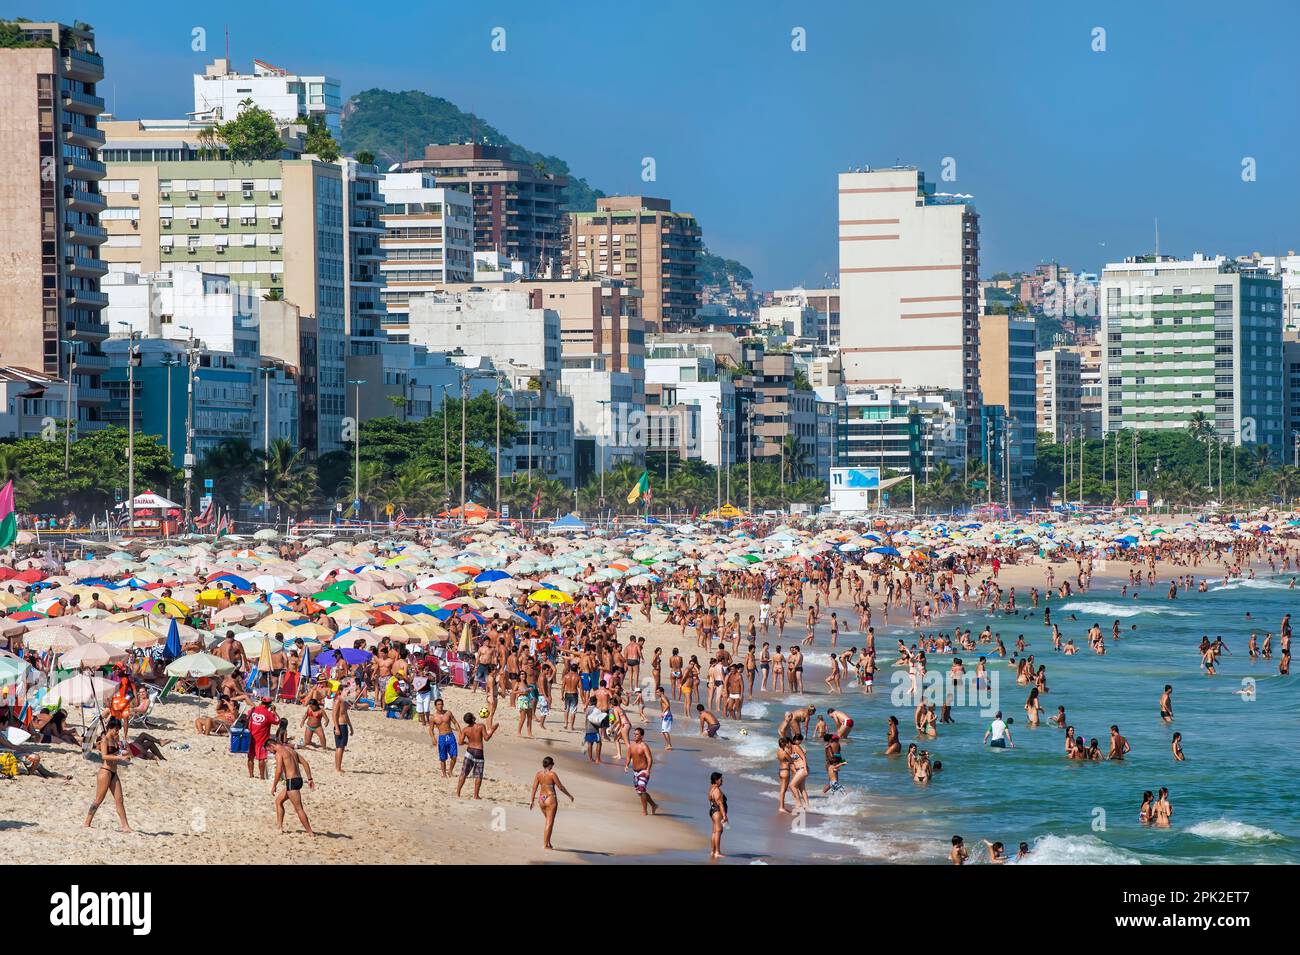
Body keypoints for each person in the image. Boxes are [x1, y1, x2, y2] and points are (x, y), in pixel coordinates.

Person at [84, 717, 131, 832]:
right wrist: (120, 757)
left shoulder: (116, 738)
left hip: (114, 772)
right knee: (99, 799)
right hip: (105, 771)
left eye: (118, 730)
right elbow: (104, 756)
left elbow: (116, 751)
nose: (117, 732)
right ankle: (87, 822)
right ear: (110, 728)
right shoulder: (104, 740)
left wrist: (124, 753)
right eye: (115, 730)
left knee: (119, 799)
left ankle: (125, 826)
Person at [269, 740, 315, 836]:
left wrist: (274, 786)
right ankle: (279, 827)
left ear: (271, 745)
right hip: (298, 780)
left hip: (291, 782)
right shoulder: (291, 750)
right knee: (279, 801)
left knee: (299, 809)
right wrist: (310, 779)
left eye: (269, 750)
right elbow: (305, 763)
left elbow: (278, 771)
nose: (271, 752)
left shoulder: (279, 753)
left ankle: (310, 832)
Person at [529, 756, 573, 850]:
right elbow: (560, 787)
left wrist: (531, 800)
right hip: (550, 798)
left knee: (548, 821)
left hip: (541, 799)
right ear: (549, 765)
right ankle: (545, 845)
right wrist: (569, 795)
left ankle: (548, 842)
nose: (553, 766)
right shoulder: (552, 774)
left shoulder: (538, 774)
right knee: (549, 822)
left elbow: (534, 787)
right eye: (552, 764)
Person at [456, 711, 499, 800]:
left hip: (470, 751)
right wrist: (493, 730)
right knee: (478, 775)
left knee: (464, 773)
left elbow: (460, 742)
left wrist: (466, 742)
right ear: (472, 718)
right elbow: (486, 738)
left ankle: (458, 793)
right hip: (479, 751)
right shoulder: (480, 726)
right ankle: (476, 795)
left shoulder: (465, 730)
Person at [625, 727, 659, 815]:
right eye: (634, 734)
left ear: (641, 736)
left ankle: (644, 811)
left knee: (641, 790)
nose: (635, 736)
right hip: (635, 772)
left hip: (643, 771)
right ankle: (653, 805)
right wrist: (626, 766)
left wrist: (648, 770)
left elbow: (650, 759)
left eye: (637, 734)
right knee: (640, 792)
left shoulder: (644, 746)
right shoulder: (631, 746)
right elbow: (628, 757)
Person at [246, 697, 278, 779]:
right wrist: (274, 711)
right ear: (269, 705)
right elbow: (277, 721)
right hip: (262, 739)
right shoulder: (268, 713)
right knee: (261, 758)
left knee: (250, 757)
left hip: (251, 737)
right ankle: (262, 777)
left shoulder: (253, 710)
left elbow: (247, 717)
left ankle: (250, 775)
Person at [428, 699, 461, 777]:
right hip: (442, 737)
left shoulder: (448, 713)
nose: (440, 706)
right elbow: (431, 729)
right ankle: (444, 774)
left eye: (441, 704)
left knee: (454, 756)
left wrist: (460, 732)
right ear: (435, 706)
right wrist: (433, 738)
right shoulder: (433, 717)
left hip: (450, 735)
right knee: (443, 758)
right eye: (438, 704)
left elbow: (455, 722)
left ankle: (450, 771)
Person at [708, 771, 728, 860]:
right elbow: (720, 804)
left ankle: (713, 851)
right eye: (720, 779)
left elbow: (711, 801)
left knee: (714, 831)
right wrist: (724, 816)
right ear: (716, 780)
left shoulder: (711, 789)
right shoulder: (717, 791)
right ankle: (717, 852)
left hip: (712, 811)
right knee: (718, 831)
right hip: (717, 812)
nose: (722, 781)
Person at [332, 690, 352, 773]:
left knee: (341, 747)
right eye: (346, 691)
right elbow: (334, 715)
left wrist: (350, 726)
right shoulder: (338, 701)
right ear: (341, 691)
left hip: (344, 725)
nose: (348, 692)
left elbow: (345, 715)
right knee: (340, 747)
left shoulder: (344, 701)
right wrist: (337, 728)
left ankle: (338, 767)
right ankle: (338, 768)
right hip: (340, 725)